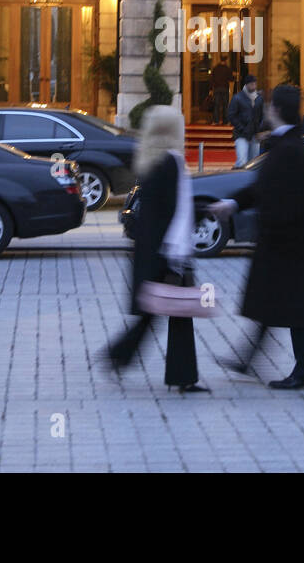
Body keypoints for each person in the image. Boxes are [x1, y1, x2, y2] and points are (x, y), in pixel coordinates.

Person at [209, 85, 304, 390]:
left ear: (276, 110)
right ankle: (252, 360)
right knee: (277, 304)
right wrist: (233, 203)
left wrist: (239, 208)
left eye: (272, 105)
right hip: (288, 241)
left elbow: (276, 194)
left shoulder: (289, 148)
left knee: (297, 309)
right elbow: (263, 187)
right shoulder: (287, 144)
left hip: (287, 242)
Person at [106, 106, 207, 393]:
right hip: (169, 253)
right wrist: (178, 256)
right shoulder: (173, 161)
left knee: (156, 313)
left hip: (150, 252)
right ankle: (180, 375)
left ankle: (120, 355)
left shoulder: (149, 160)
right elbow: (178, 211)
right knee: (177, 314)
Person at [227, 74, 263, 167]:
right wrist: (241, 128)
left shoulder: (259, 98)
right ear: (246, 84)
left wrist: (260, 128)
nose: (254, 86)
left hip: (255, 134)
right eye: (252, 84)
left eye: (255, 83)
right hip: (241, 134)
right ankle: (238, 176)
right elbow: (231, 115)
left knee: (254, 162)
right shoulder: (237, 98)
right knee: (242, 161)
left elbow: (262, 115)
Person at [210, 56, 233, 125]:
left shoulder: (215, 68)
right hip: (225, 88)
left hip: (217, 88)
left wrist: (211, 89)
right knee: (225, 105)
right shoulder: (227, 69)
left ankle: (216, 121)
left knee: (216, 105)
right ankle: (225, 121)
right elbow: (231, 78)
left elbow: (212, 79)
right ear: (225, 61)